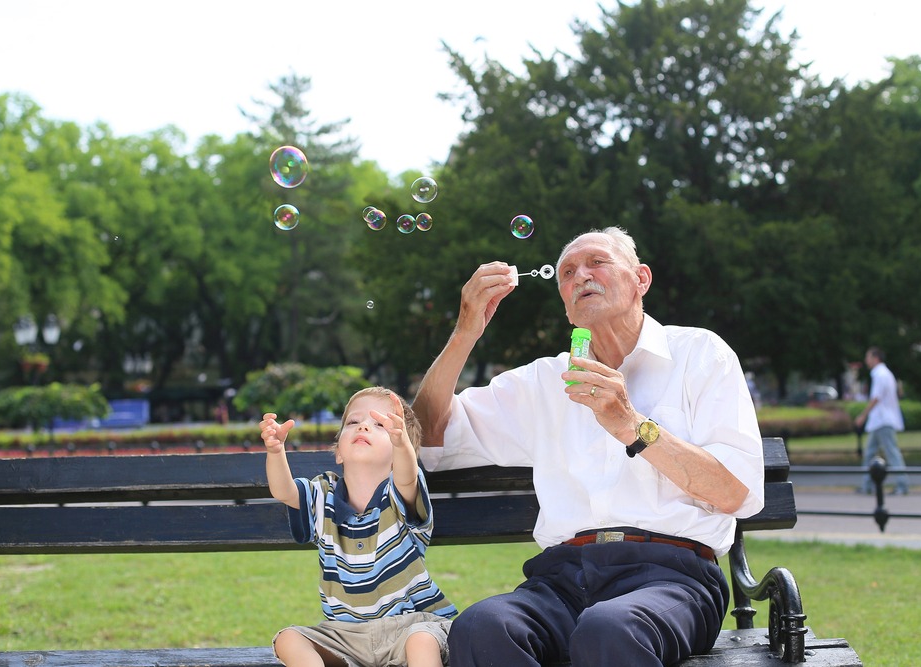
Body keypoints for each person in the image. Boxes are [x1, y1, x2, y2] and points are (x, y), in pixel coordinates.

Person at [412, 227, 764, 667]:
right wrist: (465, 333)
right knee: (482, 627)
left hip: (673, 576)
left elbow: (737, 492)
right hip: (561, 579)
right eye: (567, 272)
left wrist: (632, 425)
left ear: (641, 279)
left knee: (610, 628)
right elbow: (426, 435)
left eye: (597, 262)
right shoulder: (542, 381)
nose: (580, 276)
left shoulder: (699, 354)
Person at [260, 387, 456, 667]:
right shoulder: (324, 495)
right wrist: (275, 451)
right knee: (288, 639)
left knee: (423, 642)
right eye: (353, 422)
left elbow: (407, 476)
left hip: (409, 626)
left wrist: (402, 444)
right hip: (345, 634)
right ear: (338, 451)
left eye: (381, 424)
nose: (363, 425)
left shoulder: (399, 496)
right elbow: (285, 492)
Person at [855, 347, 909, 495]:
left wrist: (862, 415)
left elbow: (876, 398)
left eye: (868, 357)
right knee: (871, 454)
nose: (866, 360)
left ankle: (902, 485)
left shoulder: (880, 375)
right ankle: (867, 485)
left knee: (890, 453)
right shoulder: (885, 374)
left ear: (875, 358)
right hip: (881, 421)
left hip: (882, 420)